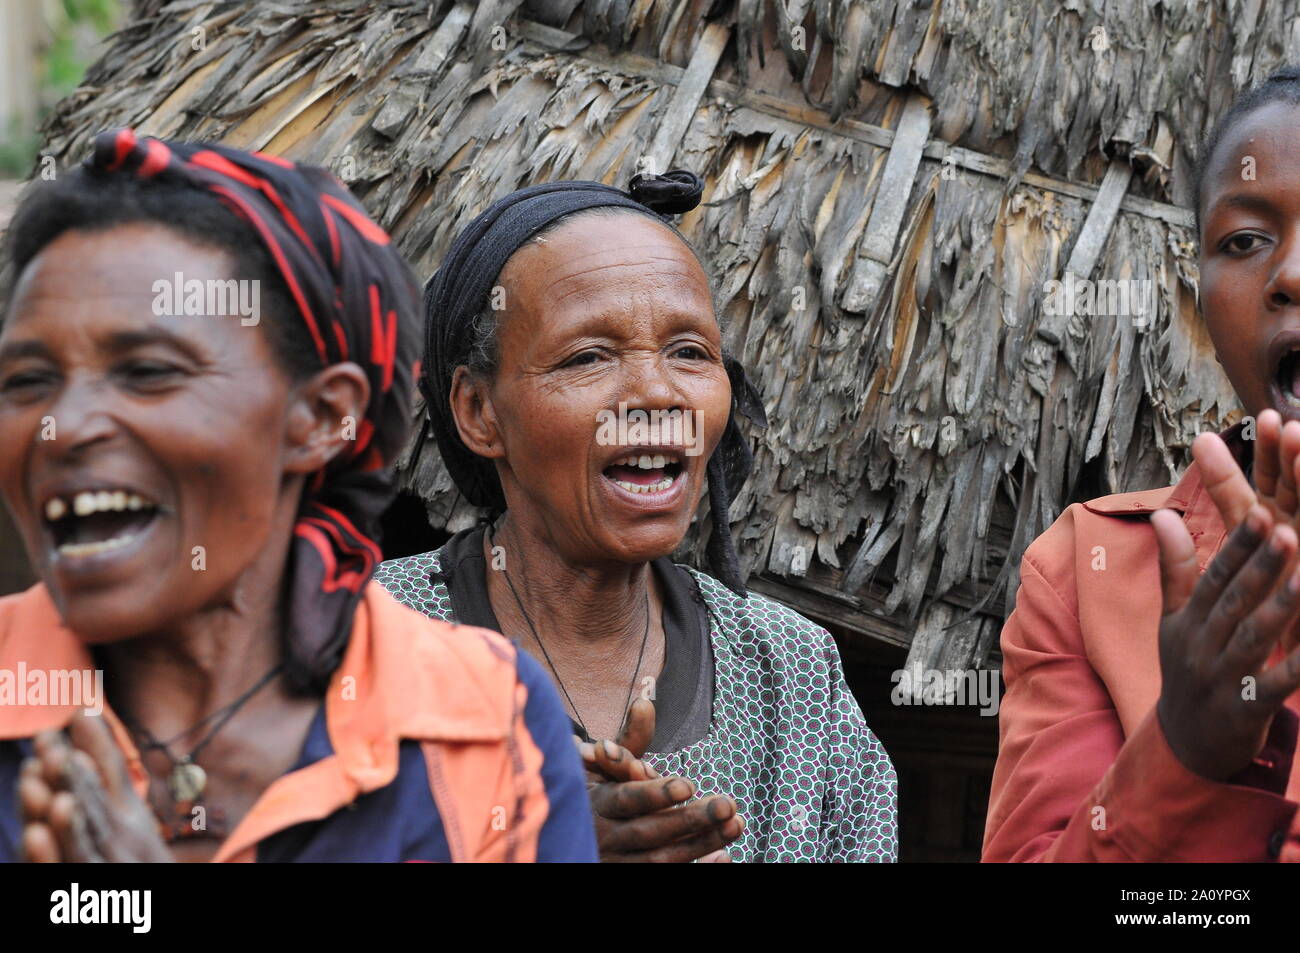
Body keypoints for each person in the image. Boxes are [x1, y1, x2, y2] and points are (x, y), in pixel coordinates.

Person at [0, 129, 597, 862]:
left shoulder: (483, 722)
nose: (65, 428)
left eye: (148, 371)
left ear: (319, 419)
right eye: (27, 381)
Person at [374, 171, 897, 862]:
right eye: (588, 356)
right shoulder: (357, 641)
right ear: (479, 410)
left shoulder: (794, 673)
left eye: (689, 352)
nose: (657, 392)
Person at [984, 67, 1300, 862]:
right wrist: (1184, 752)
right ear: (1201, 291)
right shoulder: (1084, 574)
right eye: (1246, 241)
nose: (1291, 275)